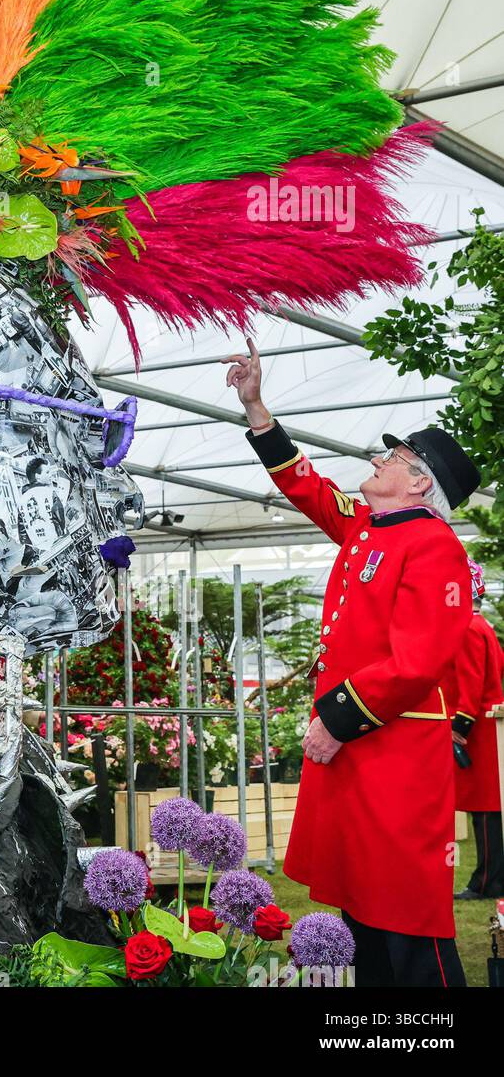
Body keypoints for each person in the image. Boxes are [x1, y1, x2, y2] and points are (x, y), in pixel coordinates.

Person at [223, 338, 481, 987]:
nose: (376, 457)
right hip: (364, 757)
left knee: (406, 922)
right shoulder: (369, 527)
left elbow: (417, 661)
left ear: (420, 481)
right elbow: (306, 485)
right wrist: (257, 407)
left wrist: (336, 718)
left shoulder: (436, 549)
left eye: (393, 455)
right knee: (362, 912)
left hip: (394, 757)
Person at [450, 560, 503, 900]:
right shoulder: (481, 626)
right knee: (488, 812)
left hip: (478, 731)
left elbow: (470, 685)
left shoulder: (468, 629)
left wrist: (460, 726)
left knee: (485, 812)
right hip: (486, 728)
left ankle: (487, 881)